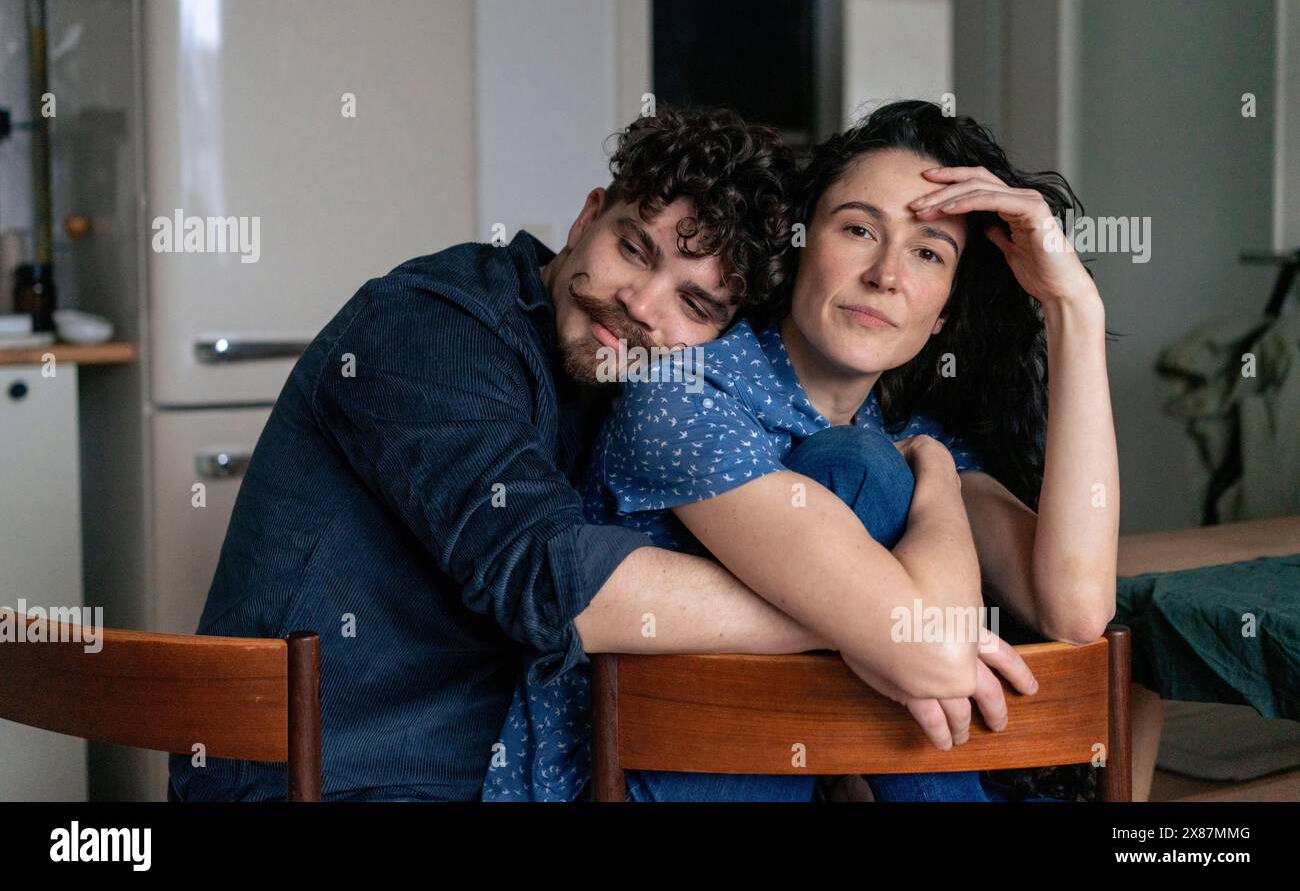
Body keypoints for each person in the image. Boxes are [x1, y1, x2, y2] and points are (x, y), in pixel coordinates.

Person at [168, 105, 829, 800]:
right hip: (321, 782)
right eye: (634, 250)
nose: (641, 304)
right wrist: (851, 623)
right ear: (586, 219)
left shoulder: (648, 389)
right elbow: (554, 586)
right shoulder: (430, 326)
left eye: (694, 304)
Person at [484, 100, 1119, 802]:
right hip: (631, 780)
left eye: (928, 252)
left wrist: (1074, 311)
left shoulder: (909, 429)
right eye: (858, 230)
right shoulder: (682, 392)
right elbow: (936, 653)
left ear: (942, 312)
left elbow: (1077, 607)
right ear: (799, 243)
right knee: (859, 467)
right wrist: (936, 484)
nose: (886, 274)